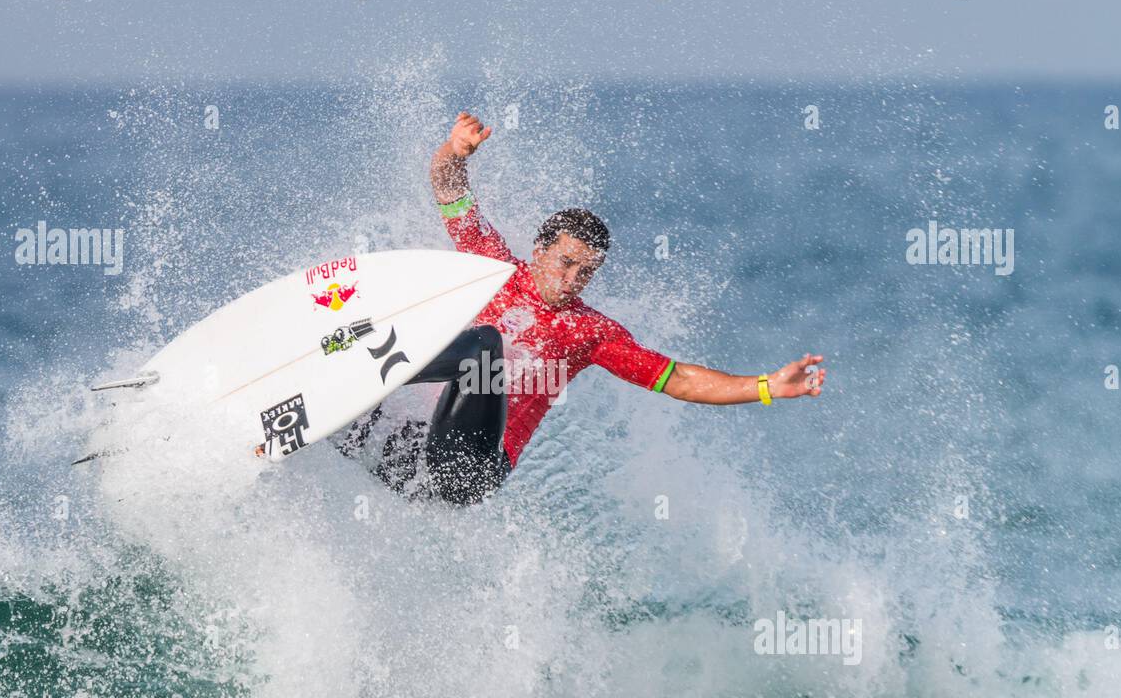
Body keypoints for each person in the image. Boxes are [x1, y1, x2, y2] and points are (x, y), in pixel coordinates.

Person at [348, 111, 827, 506]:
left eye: (586, 272)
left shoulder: (590, 332)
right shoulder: (493, 267)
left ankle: (361, 365)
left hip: (469, 471)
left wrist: (766, 386)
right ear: (540, 250)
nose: (573, 279)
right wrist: (454, 152)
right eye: (566, 263)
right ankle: (328, 400)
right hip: (411, 451)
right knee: (364, 406)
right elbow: (450, 192)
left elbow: (679, 379)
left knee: (483, 345)